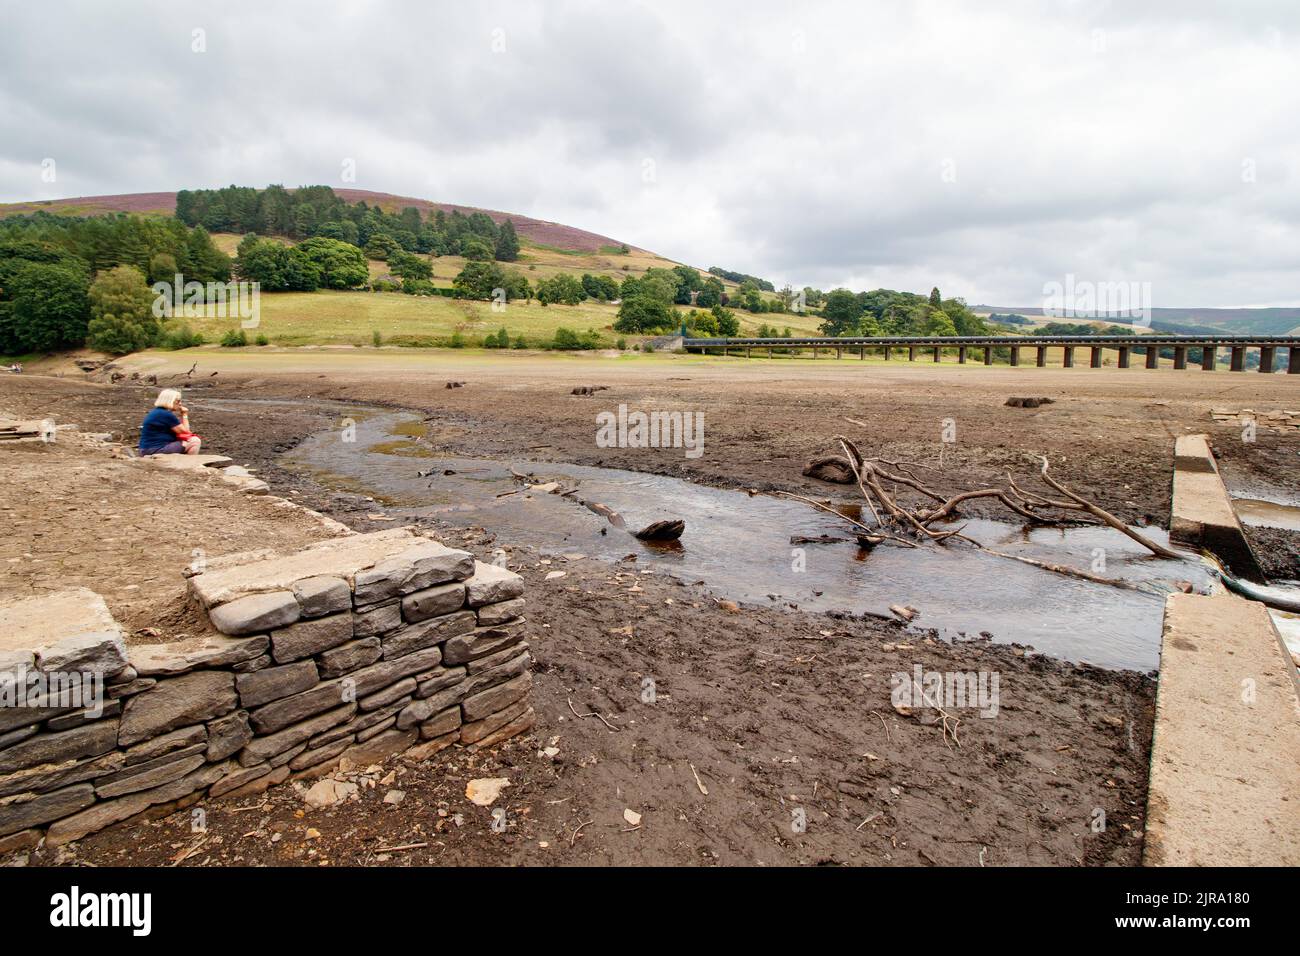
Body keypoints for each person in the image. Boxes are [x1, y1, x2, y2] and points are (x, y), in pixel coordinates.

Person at [139, 388, 202, 455]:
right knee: (195, 441)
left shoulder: (158, 412)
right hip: (155, 449)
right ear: (170, 401)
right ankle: (190, 463)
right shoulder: (166, 414)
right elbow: (186, 431)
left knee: (186, 441)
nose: (180, 403)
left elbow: (180, 430)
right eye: (178, 401)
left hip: (147, 448)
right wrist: (184, 414)